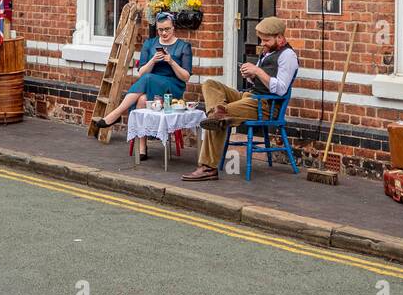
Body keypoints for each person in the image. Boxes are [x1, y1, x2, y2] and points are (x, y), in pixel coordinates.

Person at [181, 16, 297, 182]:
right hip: (249, 96)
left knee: (219, 117)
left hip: (265, 105)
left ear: (280, 37)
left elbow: (280, 89)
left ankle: (208, 167)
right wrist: (250, 76)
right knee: (210, 84)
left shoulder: (288, 56)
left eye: (266, 40)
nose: (262, 43)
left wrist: (257, 71)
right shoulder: (267, 52)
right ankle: (218, 113)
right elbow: (260, 81)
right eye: (261, 39)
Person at [90, 11, 193, 158]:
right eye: (160, 30)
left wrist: (171, 61)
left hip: (172, 89)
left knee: (149, 79)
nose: (164, 33)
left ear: (173, 27)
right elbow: (142, 73)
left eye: (167, 29)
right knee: (142, 99)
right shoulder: (150, 44)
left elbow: (185, 77)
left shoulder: (183, 46)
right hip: (149, 85)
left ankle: (116, 113)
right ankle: (142, 147)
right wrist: (153, 61)